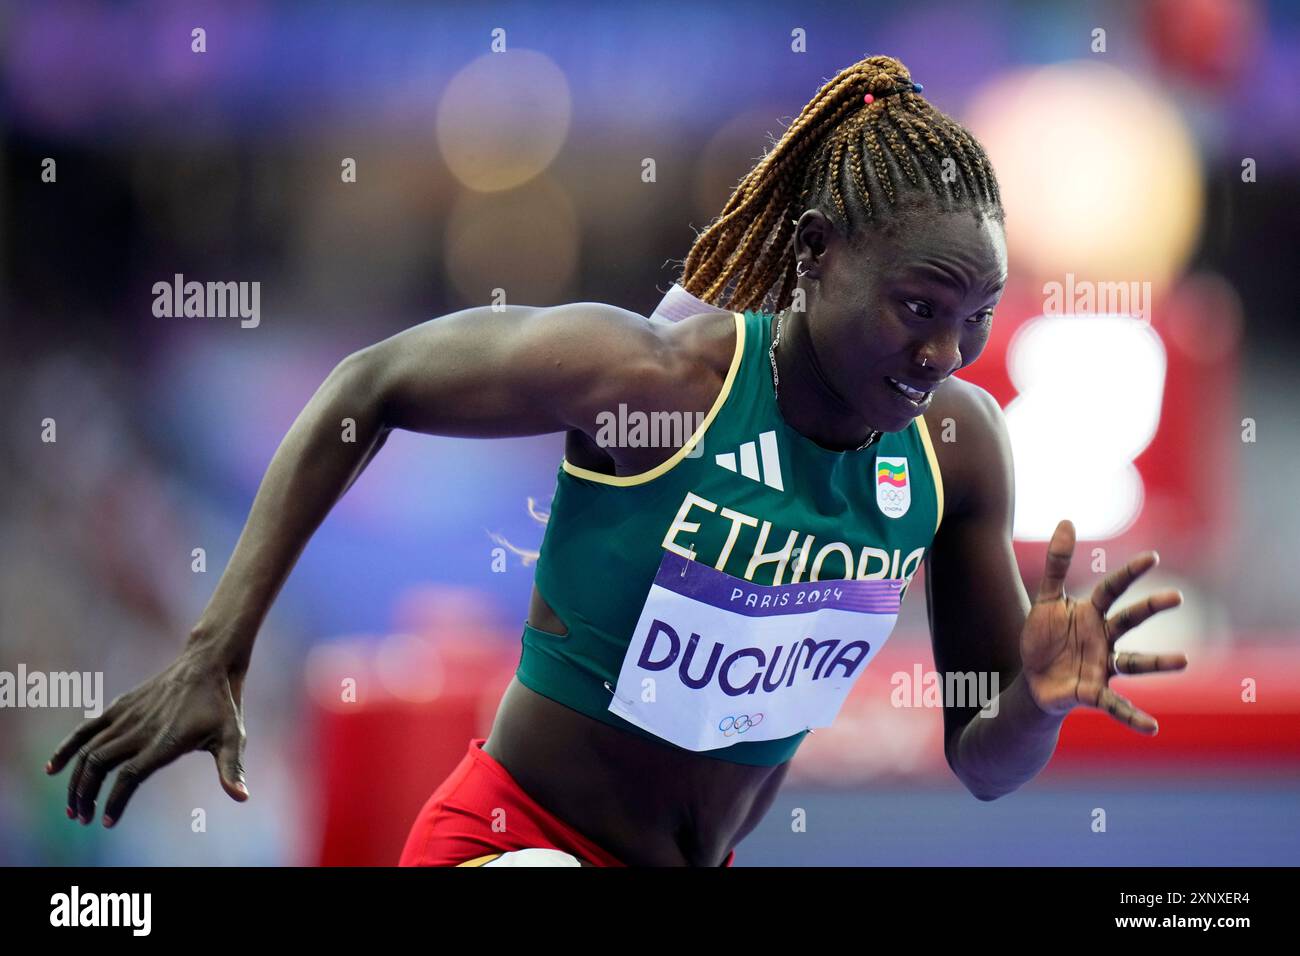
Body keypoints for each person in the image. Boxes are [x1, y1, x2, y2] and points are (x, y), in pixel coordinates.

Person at [46, 54, 1186, 867]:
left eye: (975, 317)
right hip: (514, 844)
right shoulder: (655, 382)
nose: (945, 352)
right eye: (916, 306)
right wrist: (216, 647)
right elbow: (367, 384)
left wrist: (1035, 700)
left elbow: (985, 762)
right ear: (814, 253)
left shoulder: (957, 450)